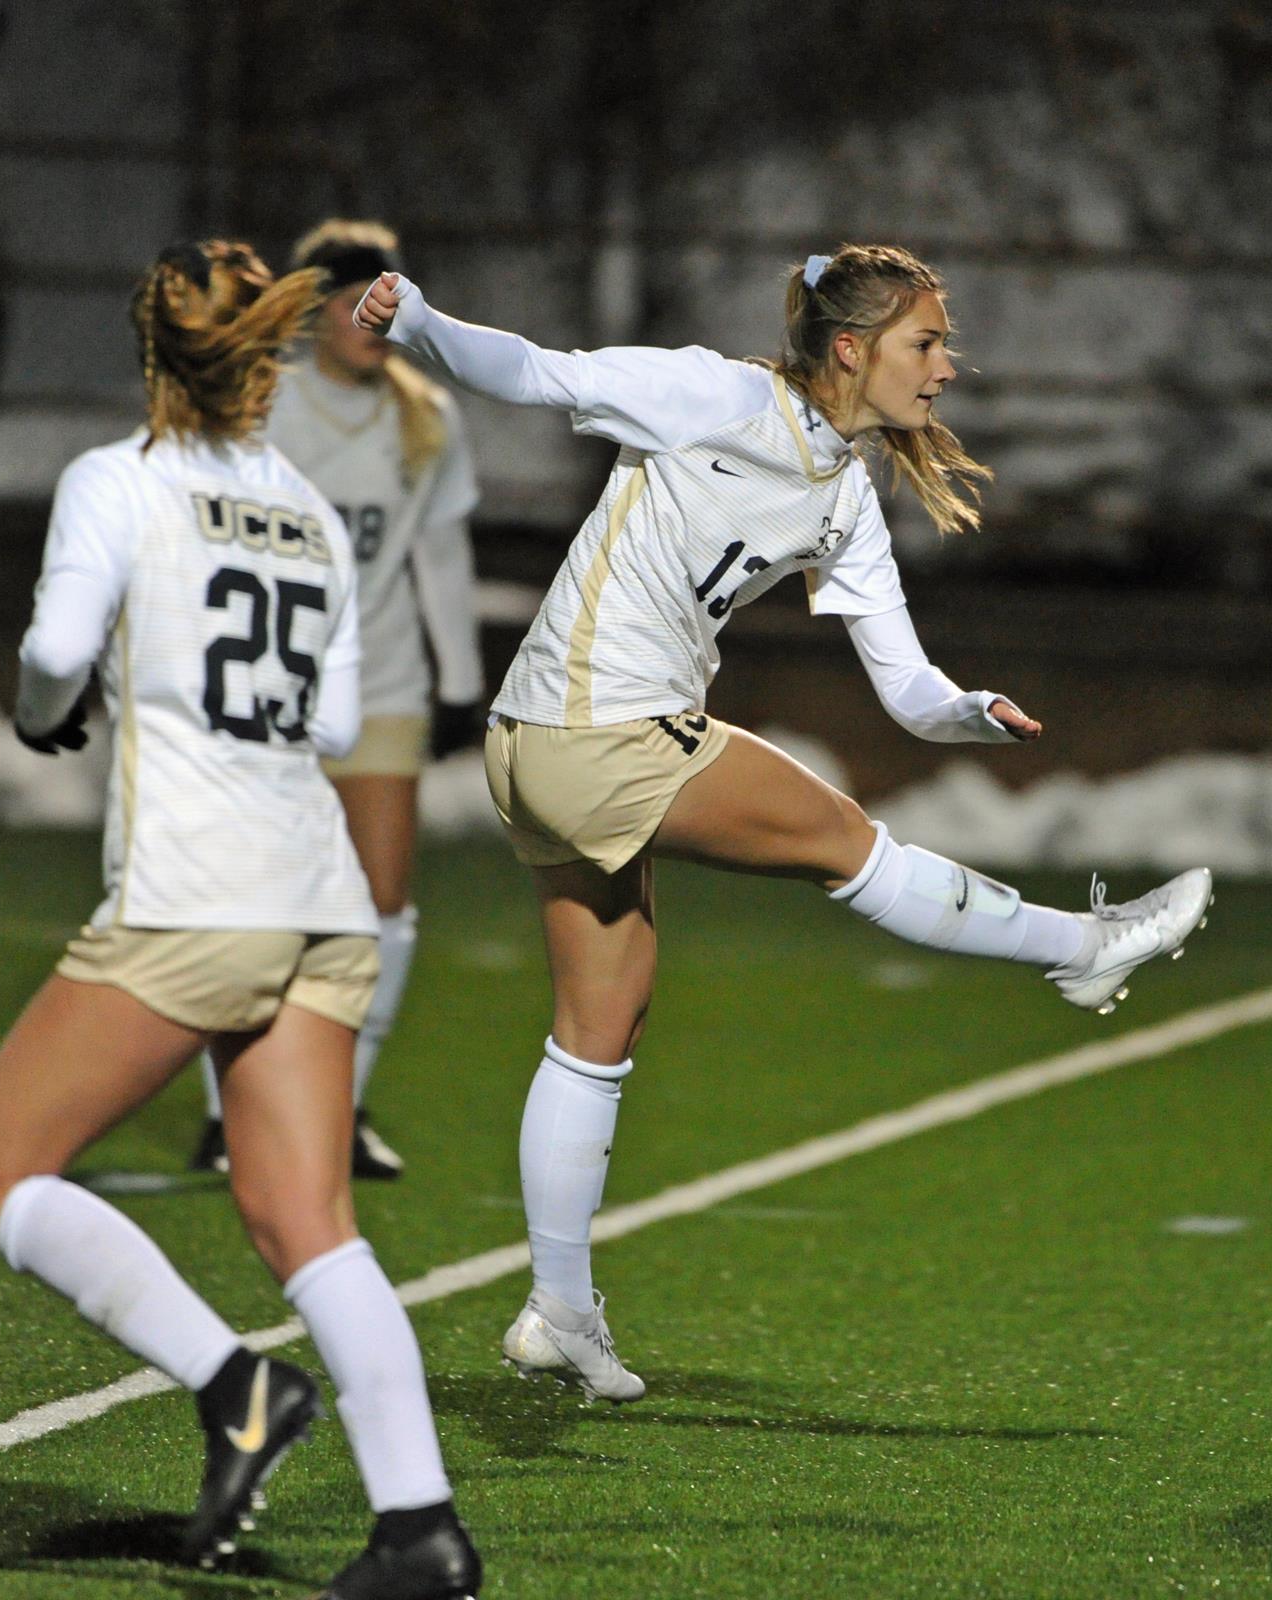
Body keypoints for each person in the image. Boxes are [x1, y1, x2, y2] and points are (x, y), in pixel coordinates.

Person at [351, 244, 1213, 1404]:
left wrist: (968, 711)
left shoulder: (844, 494)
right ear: (851, 349)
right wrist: (419, 322)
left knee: (600, 1017)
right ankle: (1079, 949)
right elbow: (538, 373)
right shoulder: (718, 396)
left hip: (534, 739)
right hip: (597, 729)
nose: (946, 367)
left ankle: (558, 1309)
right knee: (843, 843)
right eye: (926, 342)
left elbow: (904, 687)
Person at [0, 240, 480, 1598]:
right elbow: (346, 720)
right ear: (267, 363)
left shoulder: (118, 480)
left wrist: (46, 709)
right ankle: (418, 1528)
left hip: (200, 895)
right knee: (306, 1221)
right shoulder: (304, 502)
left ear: (154, 356)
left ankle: (235, 1385)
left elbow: (62, 653)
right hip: (322, 898)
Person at [192, 219, 484, 1183]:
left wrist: (459, 682)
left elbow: (439, 553)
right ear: (312, 305)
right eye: (352, 294)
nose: (371, 314)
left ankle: (338, 1107)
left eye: (386, 296)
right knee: (251, 900)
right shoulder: (264, 403)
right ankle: (228, 1112)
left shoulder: (426, 414)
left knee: (380, 906)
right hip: (267, 681)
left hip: (381, 679)